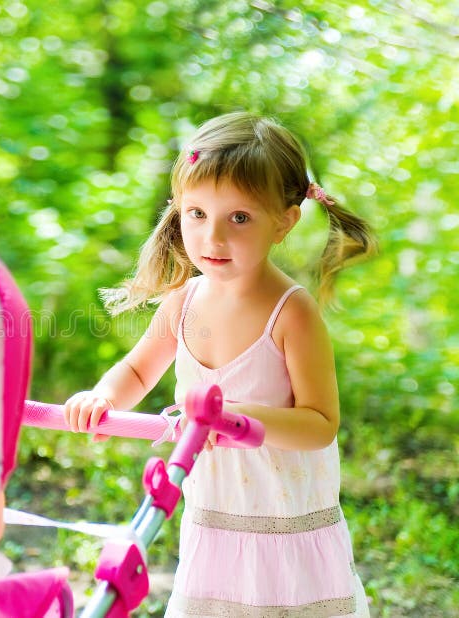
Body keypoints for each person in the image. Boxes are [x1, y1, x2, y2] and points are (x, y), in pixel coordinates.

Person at [64, 112, 375, 616]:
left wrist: (232, 417)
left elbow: (320, 425)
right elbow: (140, 370)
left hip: (283, 515)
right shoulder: (183, 301)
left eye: (240, 218)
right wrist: (104, 396)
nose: (213, 238)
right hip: (215, 514)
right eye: (197, 215)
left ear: (284, 221)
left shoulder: (291, 312)